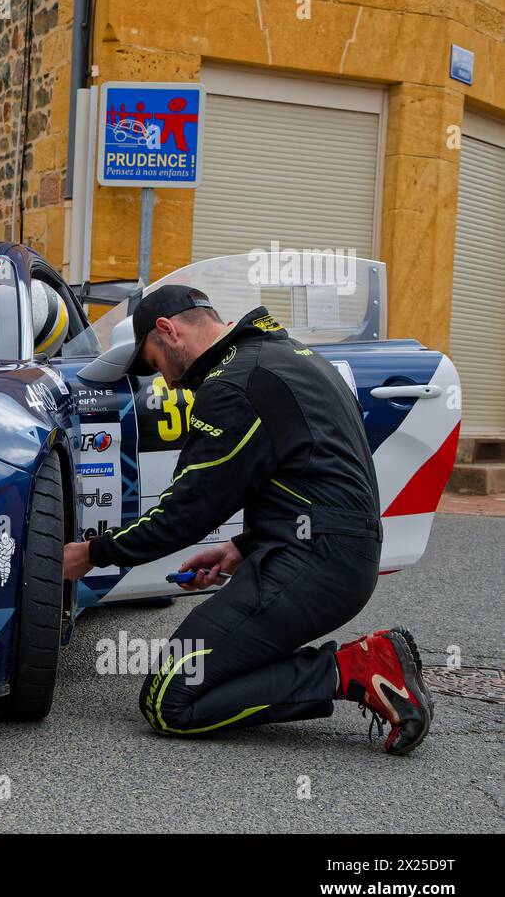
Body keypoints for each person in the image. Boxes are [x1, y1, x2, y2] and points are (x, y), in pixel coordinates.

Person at [62, 284, 434, 755]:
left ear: (168, 330)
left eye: (155, 364)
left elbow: (184, 513)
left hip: (314, 565)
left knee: (169, 700)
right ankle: (326, 663)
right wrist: (245, 545)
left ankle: (355, 669)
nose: (169, 384)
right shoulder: (287, 355)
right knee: (205, 663)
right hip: (328, 555)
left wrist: (91, 554)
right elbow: (315, 472)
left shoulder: (235, 384)